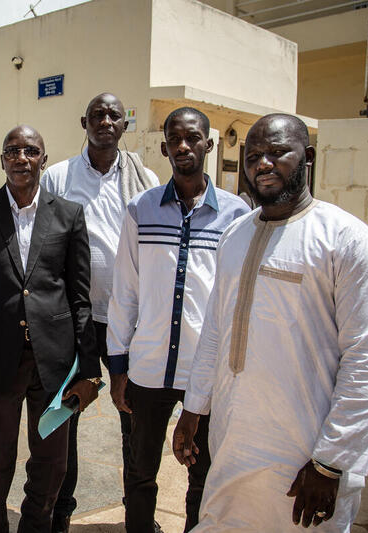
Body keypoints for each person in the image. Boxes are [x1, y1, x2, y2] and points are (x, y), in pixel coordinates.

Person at [173, 114, 368, 531]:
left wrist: (331, 462)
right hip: (234, 445)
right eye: (253, 155)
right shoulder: (235, 235)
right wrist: (193, 409)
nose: (263, 164)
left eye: (277, 153)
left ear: (308, 157)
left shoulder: (348, 241)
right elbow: (216, 333)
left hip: (303, 458)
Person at [107, 107, 249, 532]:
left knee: (202, 473)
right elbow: (125, 293)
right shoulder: (140, 209)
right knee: (139, 471)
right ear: (164, 147)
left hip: (204, 373)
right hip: (148, 368)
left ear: (209, 144)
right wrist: (118, 368)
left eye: (193, 138)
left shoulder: (237, 215)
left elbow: (238, 300)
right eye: (175, 139)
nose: (183, 146)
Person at [0, 125, 101, 533]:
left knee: (51, 465)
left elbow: (79, 298)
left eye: (30, 150)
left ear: (43, 157)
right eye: (12, 151)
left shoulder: (69, 214)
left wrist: (89, 370)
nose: (21, 158)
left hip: (54, 366)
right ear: (1, 160)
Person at [40, 92, 159, 532]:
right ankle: (59, 514)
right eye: (97, 115)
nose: (105, 121)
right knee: (65, 414)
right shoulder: (58, 177)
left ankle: (139, 518)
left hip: (130, 317)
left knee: (133, 416)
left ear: (124, 125)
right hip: (75, 319)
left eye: (114, 115)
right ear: (83, 122)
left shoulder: (145, 179)